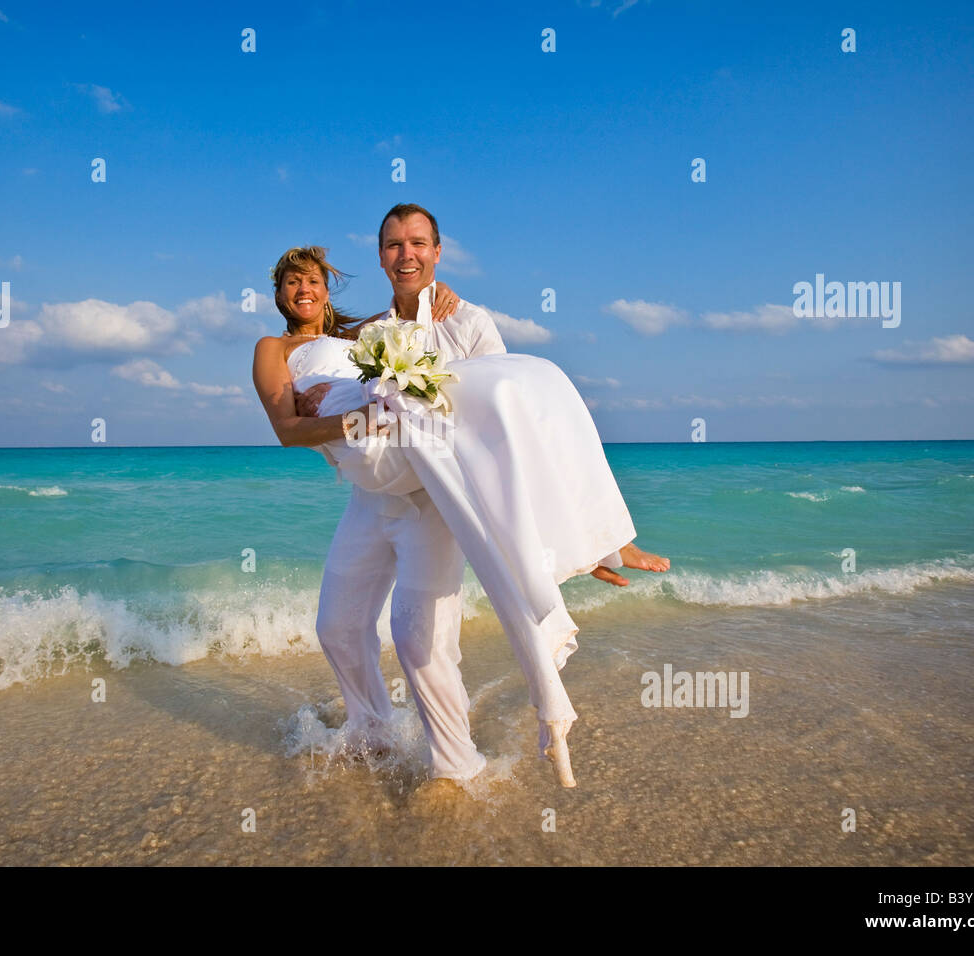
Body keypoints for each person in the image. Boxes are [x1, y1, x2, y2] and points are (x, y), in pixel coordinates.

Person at [253, 205, 669, 787]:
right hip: (371, 499)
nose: (407, 254)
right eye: (395, 245)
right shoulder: (366, 335)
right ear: (380, 257)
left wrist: (581, 536)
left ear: (437, 251)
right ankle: (370, 727)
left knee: (417, 638)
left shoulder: (466, 321)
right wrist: (343, 409)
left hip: (434, 502)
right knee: (338, 626)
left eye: (418, 243)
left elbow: (506, 427)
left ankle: (458, 768)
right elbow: (321, 397)